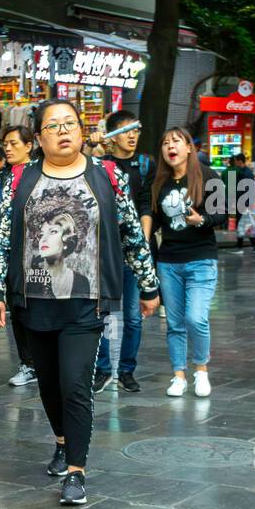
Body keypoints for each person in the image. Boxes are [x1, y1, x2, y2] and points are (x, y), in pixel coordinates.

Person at [0, 99, 159, 505]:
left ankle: (76, 472)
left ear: (82, 132)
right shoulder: (20, 179)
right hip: (33, 300)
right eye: (53, 126)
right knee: (48, 383)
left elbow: (132, 232)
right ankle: (62, 441)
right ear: (39, 137)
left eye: (70, 124)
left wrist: (148, 286)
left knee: (75, 383)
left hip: (85, 299)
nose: (63, 131)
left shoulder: (107, 176)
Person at [149, 127, 225, 398]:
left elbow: (222, 213)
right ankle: (178, 375)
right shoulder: (159, 183)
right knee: (175, 323)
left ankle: (201, 370)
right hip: (169, 262)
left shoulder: (207, 175)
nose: (171, 146)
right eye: (165, 142)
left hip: (201, 259)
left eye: (176, 141)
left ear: (189, 147)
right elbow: (154, 222)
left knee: (196, 318)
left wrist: (201, 219)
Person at [90, 110, 153, 393]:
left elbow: (145, 205)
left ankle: (127, 370)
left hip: (133, 254)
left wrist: (143, 244)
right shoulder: (100, 164)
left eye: (135, 131)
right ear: (112, 136)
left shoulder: (144, 165)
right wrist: (91, 146)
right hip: (106, 253)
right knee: (105, 313)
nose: (132, 136)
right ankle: (102, 369)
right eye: (125, 131)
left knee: (133, 315)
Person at [0, 125, 37, 388]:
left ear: (29, 145)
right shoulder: (2, 176)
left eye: (14, 143)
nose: (9, 148)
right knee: (17, 310)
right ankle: (28, 363)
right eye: (6, 144)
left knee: (37, 309)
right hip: (10, 254)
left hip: (37, 253)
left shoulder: (38, 173)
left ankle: (42, 362)